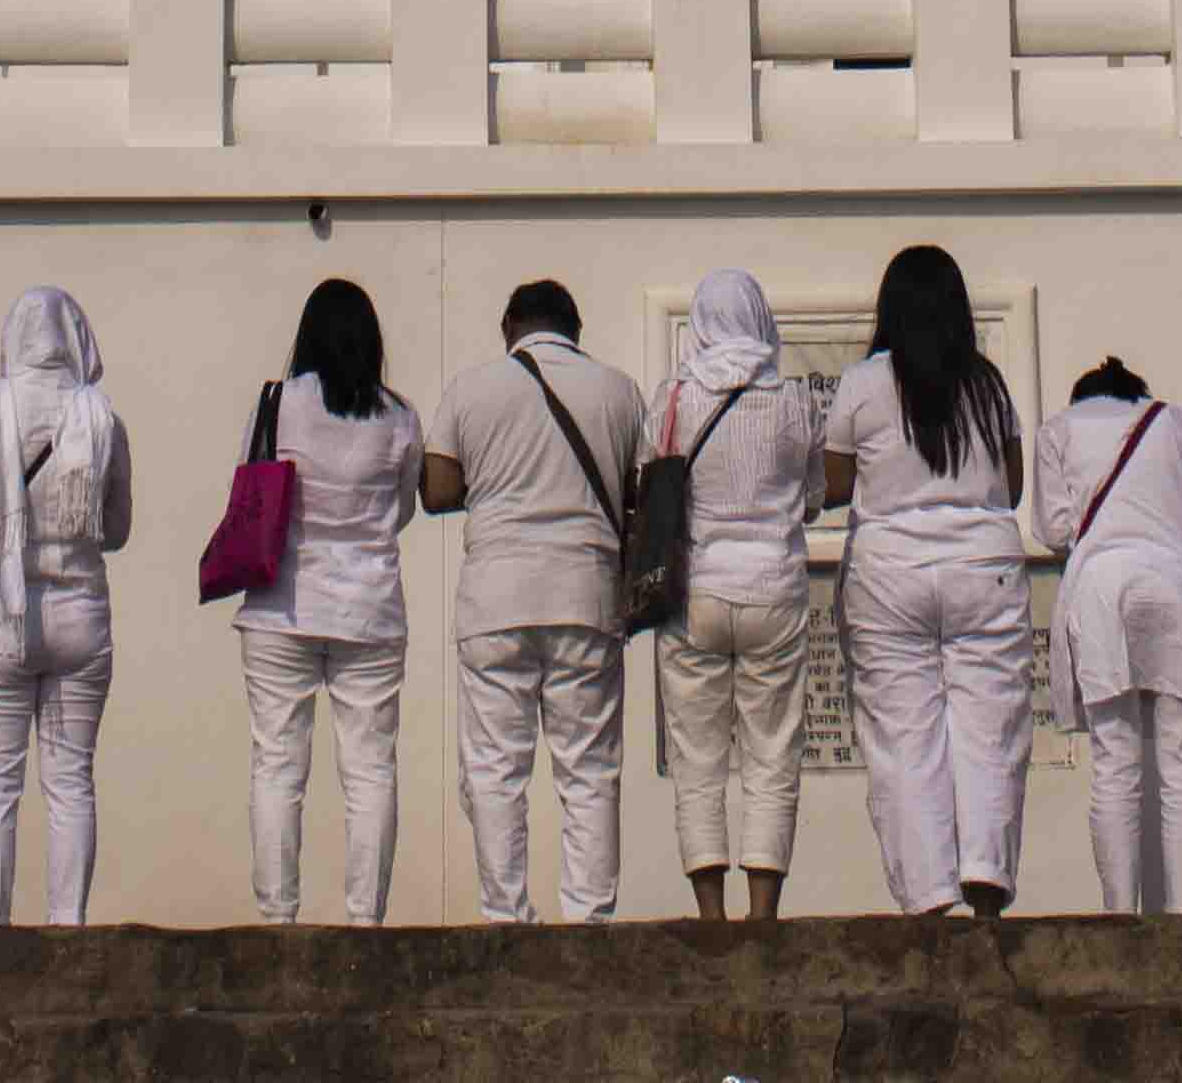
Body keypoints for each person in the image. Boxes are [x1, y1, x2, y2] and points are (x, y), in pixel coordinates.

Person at [823, 243, 1037, 918]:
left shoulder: (862, 383)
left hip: (889, 574)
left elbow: (832, 487)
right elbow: (1012, 487)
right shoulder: (987, 382)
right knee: (989, 729)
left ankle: (928, 894)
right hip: (984, 568)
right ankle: (984, 872)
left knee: (903, 739)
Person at [434, 278, 645, 925]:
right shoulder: (619, 390)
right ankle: (589, 919)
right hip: (586, 591)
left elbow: (438, 491)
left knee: (496, 768)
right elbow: (638, 492)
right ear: (575, 330)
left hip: (495, 597)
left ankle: (505, 917)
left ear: (509, 329)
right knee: (588, 769)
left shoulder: (470, 388)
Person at [235, 276, 431, 923]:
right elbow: (400, 510)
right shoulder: (400, 417)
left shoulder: (275, 402)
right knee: (370, 769)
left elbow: (250, 488)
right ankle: (364, 921)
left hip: (280, 604)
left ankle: (277, 920)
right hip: (370, 608)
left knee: (277, 766)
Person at [0, 285, 127, 924]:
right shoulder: (101, 417)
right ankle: (67, 929)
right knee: (70, 782)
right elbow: (119, 530)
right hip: (79, 609)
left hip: (0, 611)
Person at [1028, 357, 1182, 912]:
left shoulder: (1058, 430)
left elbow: (1052, 529)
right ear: (1138, 396)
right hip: (1177, 583)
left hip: (1102, 585)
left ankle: (1118, 916)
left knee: (1115, 761)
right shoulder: (1181, 423)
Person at [653, 267, 817, 921]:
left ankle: (710, 913)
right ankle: (764, 912)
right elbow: (811, 500)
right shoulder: (796, 399)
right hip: (774, 588)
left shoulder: (673, 398)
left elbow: (655, 482)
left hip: (694, 589)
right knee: (772, 752)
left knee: (696, 755)